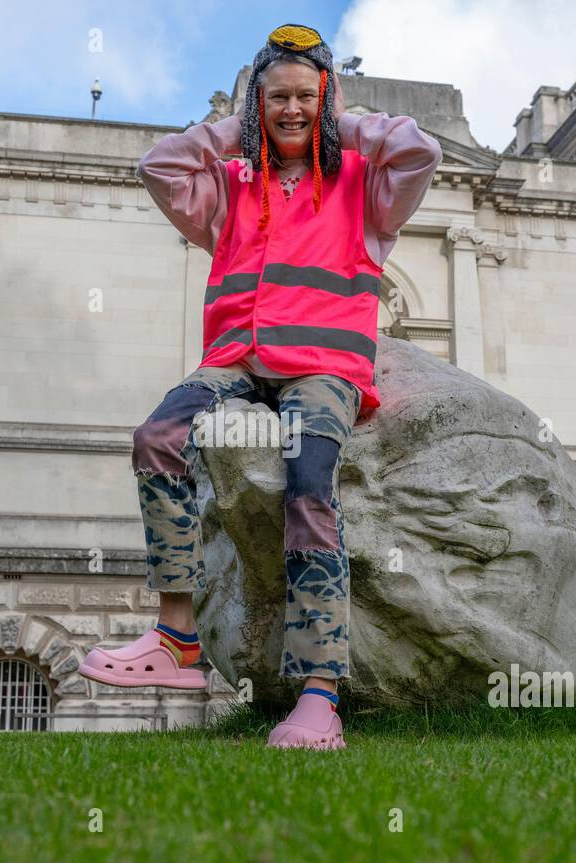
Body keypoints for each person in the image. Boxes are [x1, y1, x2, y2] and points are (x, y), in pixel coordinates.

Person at [78, 23, 442, 749]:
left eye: (306, 97)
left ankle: (319, 695)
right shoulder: (229, 184)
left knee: (309, 489)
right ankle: (177, 640)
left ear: (328, 99)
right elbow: (158, 165)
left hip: (323, 370)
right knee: (158, 437)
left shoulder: (365, 187)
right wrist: (238, 131)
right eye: (277, 97)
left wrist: (330, 117)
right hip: (236, 362)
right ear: (256, 104)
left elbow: (419, 150)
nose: (292, 110)